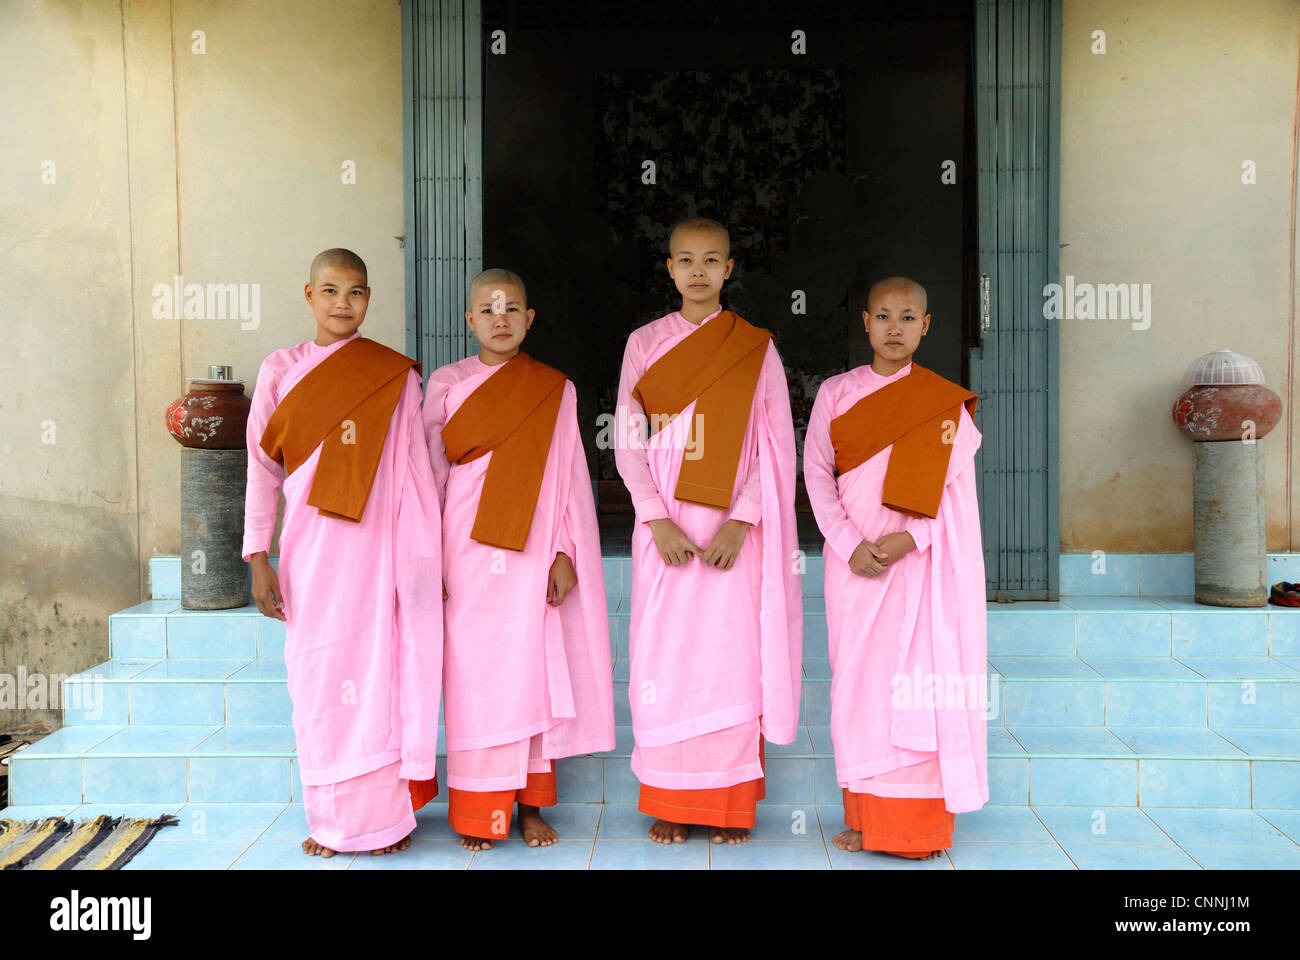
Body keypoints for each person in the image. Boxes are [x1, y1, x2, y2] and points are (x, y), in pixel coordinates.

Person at [243, 248, 443, 857]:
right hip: (309, 552)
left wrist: (420, 561)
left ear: (368, 298)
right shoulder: (280, 370)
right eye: (330, 291)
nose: (342, 304)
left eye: (355, 292)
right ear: (309, 296)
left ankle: (384, 821)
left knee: (381, 670)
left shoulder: (395, 375)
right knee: (320, 677)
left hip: (379, 550)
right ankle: (330, 820)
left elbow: (416, 471)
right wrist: (258, 556)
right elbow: (261, 470)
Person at [614, 218, 802, 845]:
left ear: (730, 267)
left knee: (730, 657)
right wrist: (657, 517)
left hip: (732, 536)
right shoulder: (643, 343)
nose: (698, 270)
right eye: (685, 259)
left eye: (711, 259)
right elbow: (629, 439)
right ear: (668, 269)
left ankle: (726, 803)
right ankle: (671, 798)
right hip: (662, 530)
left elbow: (775, 446)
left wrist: (743, 519)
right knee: (664, 658)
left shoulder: (755, 347)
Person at [424, 268, 615, 850]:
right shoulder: (446, 383)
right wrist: (427, 559)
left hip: (532, 548)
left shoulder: (553, 387)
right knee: (474, 676)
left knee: (529, 668)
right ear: (470, 320)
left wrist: (563, 551)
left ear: (529, 319)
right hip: (464, 547)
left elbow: (569, 478)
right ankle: (482, 808)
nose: (500, 318)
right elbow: (427, 475)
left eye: (512, 309)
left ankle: (530, 804)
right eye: (488, 308)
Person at [803, 276, 987, 859]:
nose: (894, 328)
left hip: (918, 569)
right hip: (852, 565)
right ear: (865, 322)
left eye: (908, 318)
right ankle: (864, 816)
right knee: (859, 686)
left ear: (926, 326)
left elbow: (957, 503)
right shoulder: (835, 393)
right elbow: (816, 476)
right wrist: (846, 541)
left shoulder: (941, 401)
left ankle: (914, 828)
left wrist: (911, 538)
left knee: (916, 687)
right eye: (883, 316)